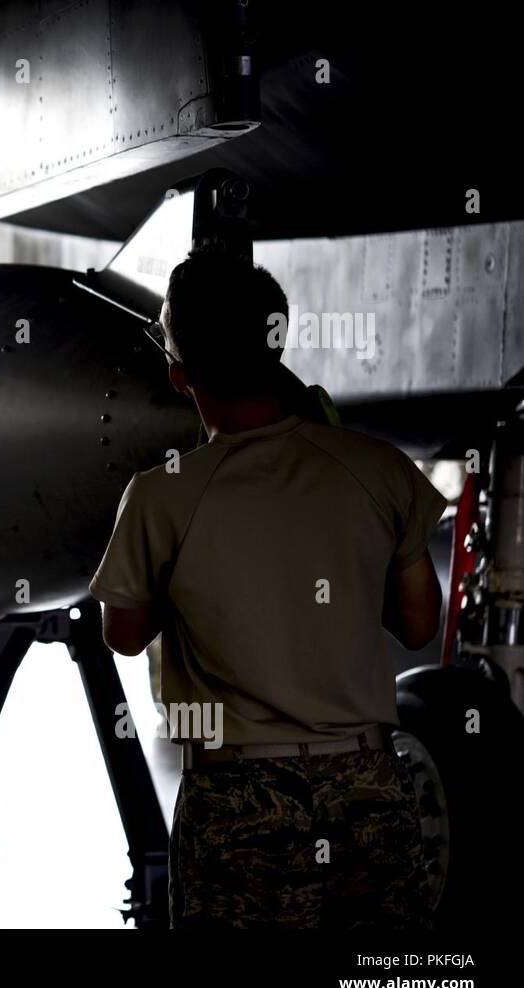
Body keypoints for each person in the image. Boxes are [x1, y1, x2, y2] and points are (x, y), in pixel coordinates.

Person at [90, 250, 445, 929]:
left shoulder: (161, 496)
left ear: (179, 375)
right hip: (368, 787)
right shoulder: (378, 470)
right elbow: (419, 624)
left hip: (240, 798)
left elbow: (124, 636)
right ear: (275, 351)